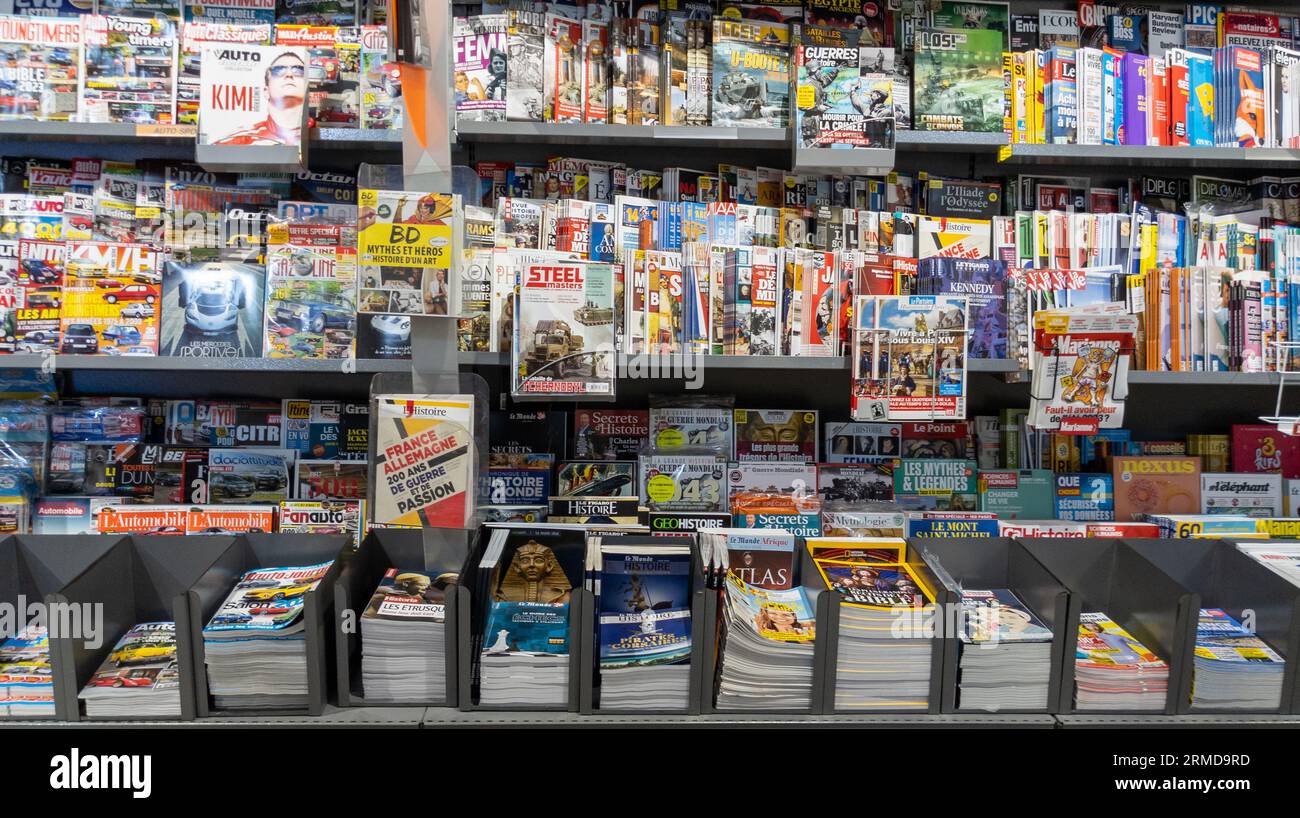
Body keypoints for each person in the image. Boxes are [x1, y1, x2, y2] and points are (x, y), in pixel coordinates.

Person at [214, 51, 306, 146]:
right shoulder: (238, 140)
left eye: (298, 70)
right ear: (266, 91)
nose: (289, 74)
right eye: (278, 71)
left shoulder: (316, 134)